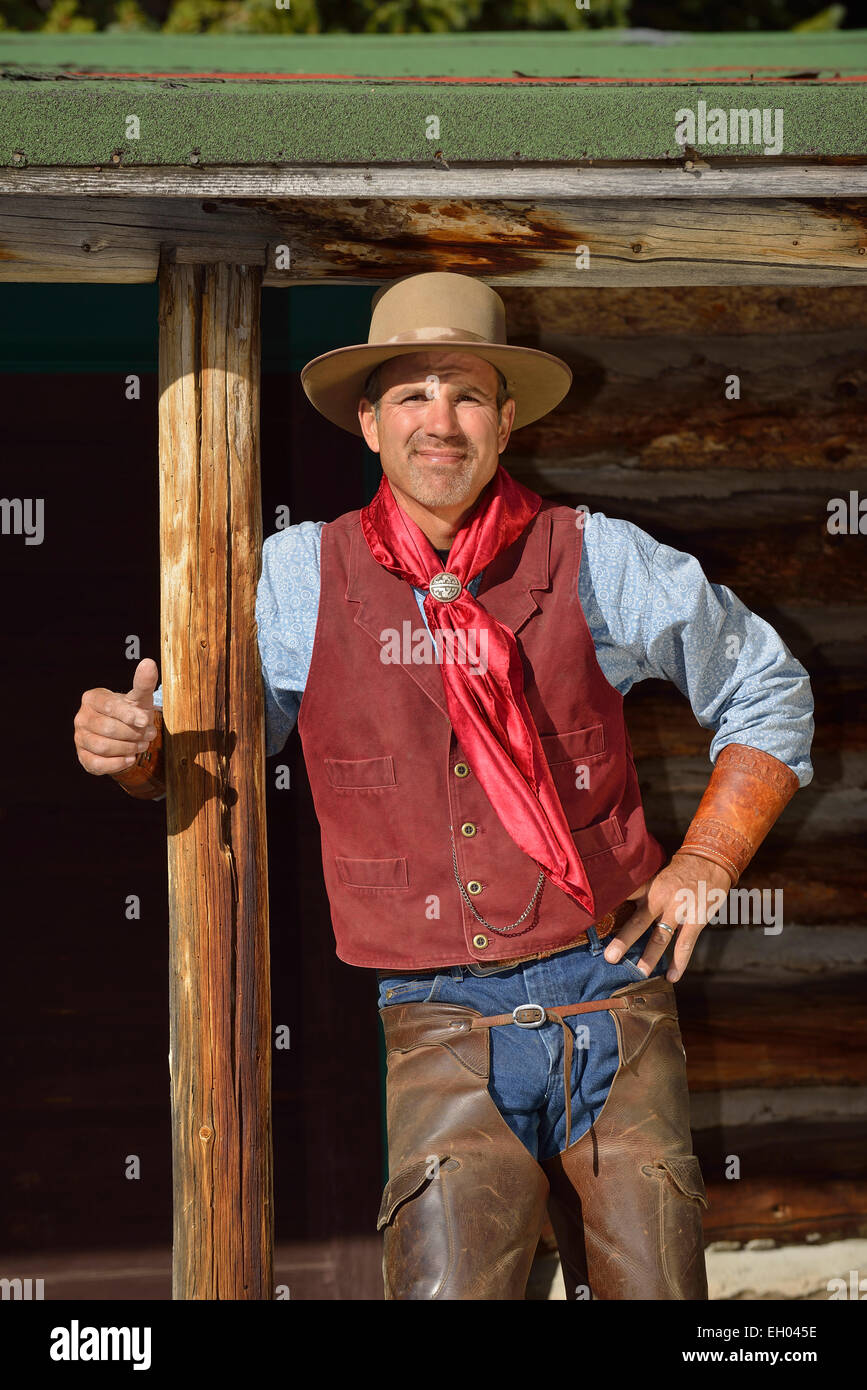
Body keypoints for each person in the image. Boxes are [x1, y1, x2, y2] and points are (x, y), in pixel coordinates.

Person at [73, 271, 814, 1301]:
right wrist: (142, 750)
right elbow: (226, 753)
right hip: (436, 1024)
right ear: (370, 423)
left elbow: (768, 687)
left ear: (506, 421)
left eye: (466, 393)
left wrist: (708, 859)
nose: (441, 420)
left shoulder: (594, 556)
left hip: (614, 998)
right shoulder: (300, 573)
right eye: (412, 395)